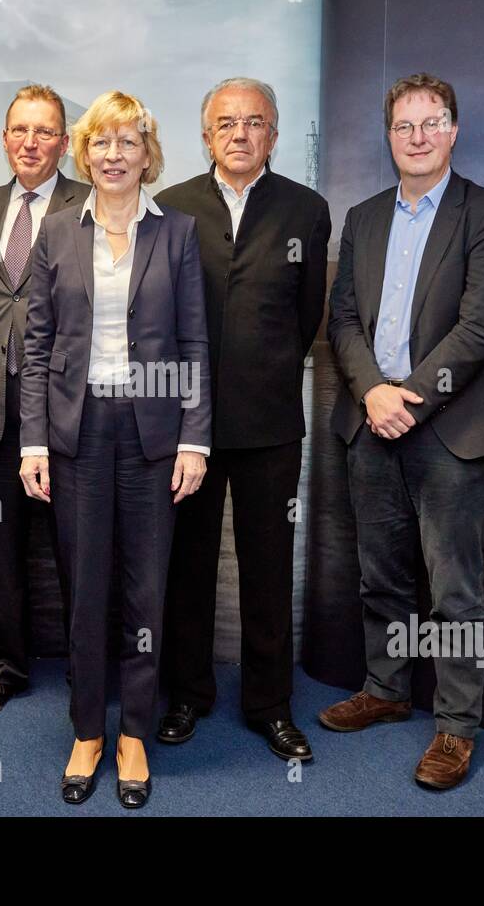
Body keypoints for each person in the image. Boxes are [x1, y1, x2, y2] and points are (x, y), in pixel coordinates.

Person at [321, 72, 484, 789]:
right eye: (404, 126)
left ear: (453, 130)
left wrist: (405, 398)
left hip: (450, 430)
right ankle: (384, 690)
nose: (417, 137)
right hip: (369, 423)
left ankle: (456, 727)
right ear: (391, 137)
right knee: (381, 574)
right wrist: (371, 392)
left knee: (455, 590)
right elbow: (342, 318)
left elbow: (483, 327)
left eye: (431, 123)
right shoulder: (365, 217)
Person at [19, 91, 210, 809]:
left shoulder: (179, 234)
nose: (114, 155)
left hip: (154, 438)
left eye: (128, 142)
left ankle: (133, 731)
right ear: (84, 151)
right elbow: (36, 345)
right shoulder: (58, 234)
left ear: (147, 154)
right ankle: (86, 731)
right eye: (102, 142)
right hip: (75, 436)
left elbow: (193, 342)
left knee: (145, 590)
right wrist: (32, 440)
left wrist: (195, 437)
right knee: (86, 589)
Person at [155, 78, 329, 762]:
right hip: (184, 428)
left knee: (267, 566)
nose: (239, 133)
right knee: (187, 567)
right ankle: (187, 694)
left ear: (274, 134)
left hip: (270, 425)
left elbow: (306, 314)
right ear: (205, 136)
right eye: (225, 123)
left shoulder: (307, 210)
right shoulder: (168, 208)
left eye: (254, 122)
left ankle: (270, 705)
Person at [0, 85, 90, 721]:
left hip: (70, 414)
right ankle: (4, 670)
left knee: (79, 553)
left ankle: (86, 673)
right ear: (4, 139)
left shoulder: (92, 205)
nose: (30, 143)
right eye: (19, 131)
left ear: (65, 142)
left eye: (44, 132)